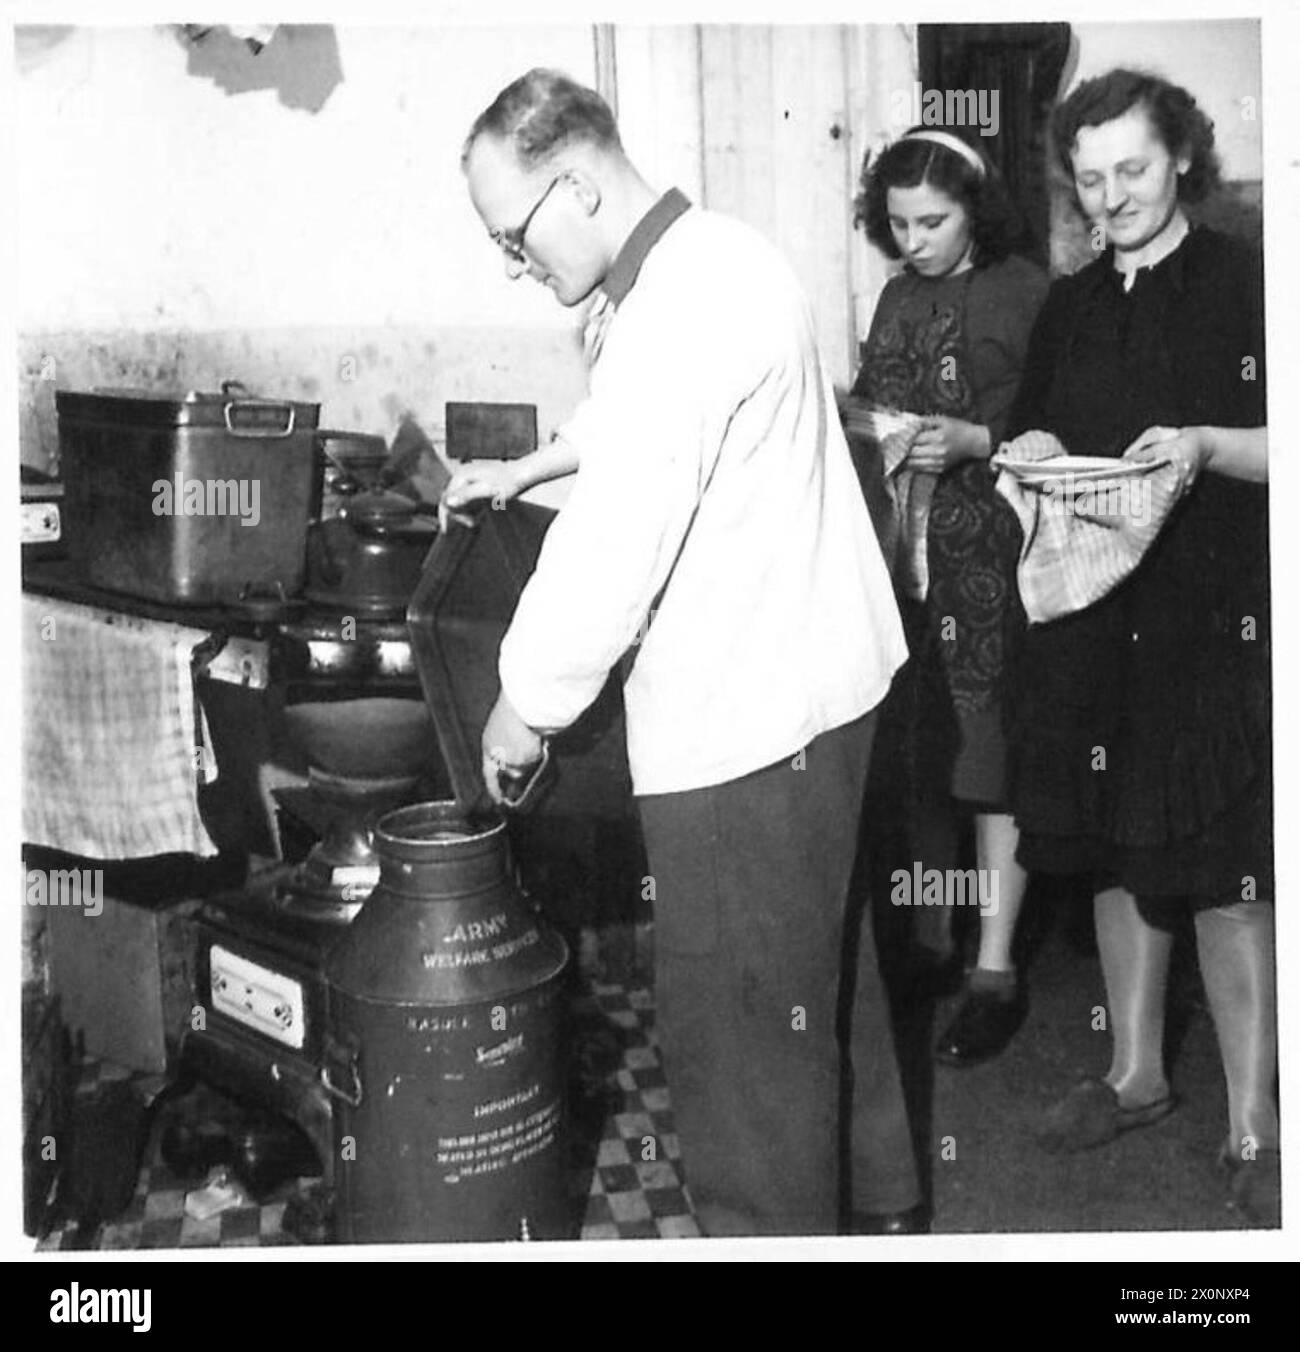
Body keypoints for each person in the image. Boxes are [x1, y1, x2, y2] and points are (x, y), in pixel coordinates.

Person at [451, 68, 914, 1236]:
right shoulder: (714, 255)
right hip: (827, 688)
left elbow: (615, 544)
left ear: (573, 184)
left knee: (742, 1032)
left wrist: (521, 706)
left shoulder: (674, 307)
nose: (514, 263)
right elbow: (642, 421)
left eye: (512, 235)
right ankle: (886, 1206)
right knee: (823, 980)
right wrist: (533, 464)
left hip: (750, 725)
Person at [1004, 69, 1275, 1226]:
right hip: (1089, 618)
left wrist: (1208, 442)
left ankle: (1254, 1125)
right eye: (1090, 174)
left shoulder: (1247, 283)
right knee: (1116, 843)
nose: (1111, 193)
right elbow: (1031, 422)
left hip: (1209, 615)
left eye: (1132, 168)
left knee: (1218, 861)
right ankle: (1137, 1074)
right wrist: (1031, 450)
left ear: (1180, 162)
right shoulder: (1068, 303)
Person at [843, 126, 1048, 1065]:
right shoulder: (893, 296)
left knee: (990, 758)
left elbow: (1067, 422)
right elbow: (866, 399)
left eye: (934, 220)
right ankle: (934, 944)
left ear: (977, 210)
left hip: (993, 555)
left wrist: (975, 439)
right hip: (903, 557)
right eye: (898, 223)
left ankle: (995, 970)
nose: (915, 240)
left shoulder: (1025, 292)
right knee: (921, 750)